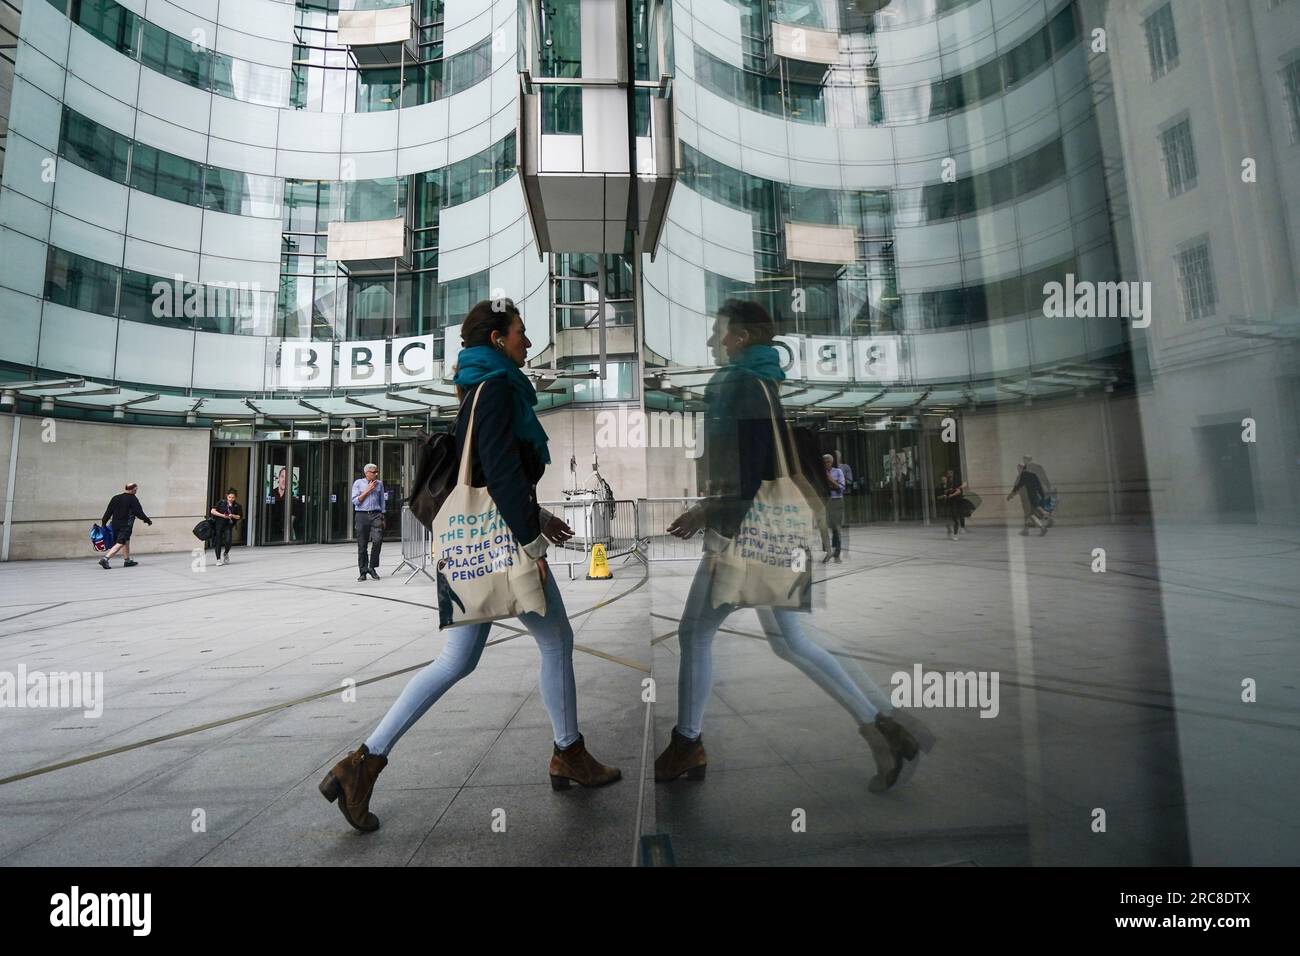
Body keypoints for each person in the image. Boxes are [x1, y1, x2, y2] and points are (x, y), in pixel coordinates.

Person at [319, 298, 621, 834]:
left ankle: (362, 763)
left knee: (457, 660)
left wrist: (540, 513)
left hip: (472, 548)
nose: (528, 343)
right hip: (501, 548)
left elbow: (481, 474)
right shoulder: (499, 387)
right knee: (555, 641)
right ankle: (568, 753)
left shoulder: (475, 388)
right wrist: (532, 544)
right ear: (499, 339)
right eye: (521, 333)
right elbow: (501, 476)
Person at [660, 300, 931, 794]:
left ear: (739, 337)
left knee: (695, 634)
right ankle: (887, 726)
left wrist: (711, 515)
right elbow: (762, 462)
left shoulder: (737, 383)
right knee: (793, 641)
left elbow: (747, 467)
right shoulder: (764, 381)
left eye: (718, 331)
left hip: (746, 533)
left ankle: (688, 743)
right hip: (776, 531)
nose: (711, 341)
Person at [98, 483, 152, 569]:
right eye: (136, 489)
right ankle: (105, 559)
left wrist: (104, 523)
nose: (136, 491)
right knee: (120, 543)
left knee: (126, 541)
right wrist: (147, 520)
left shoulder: (115, 498)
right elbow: (139, 512)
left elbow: (108, 512)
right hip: (126, 525)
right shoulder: (132, 499)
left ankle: (127, 561)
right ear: (133, 489)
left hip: (115, 524)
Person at [351, 463, 385, 581]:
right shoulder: (358, 483)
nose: (376, 474)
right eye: (373, 472)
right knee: (362, 545)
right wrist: (367, 490)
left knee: (378, 540)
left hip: (376, 514)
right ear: (367, 473)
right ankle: (363, 571)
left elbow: (382, 501)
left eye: (376, 472)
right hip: (361, 515)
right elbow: (355, 501)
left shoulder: (379, 484)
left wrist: (382, 515)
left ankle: (372, 567)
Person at [1007, 458, 1053, 535]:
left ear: (1021, 468)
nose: (1017, 470)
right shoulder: (1033, 475)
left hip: (1027, 498)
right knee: (1031, 514)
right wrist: (1042, 495)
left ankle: (1044, 516)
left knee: (1030, 514)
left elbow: (1018, 486)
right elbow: (1039, 486)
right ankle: (1028, 530)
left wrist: (1011, 495)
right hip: (1035, 496)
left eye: (1018, 468)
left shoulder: (1022, 475)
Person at [208, 488, 243, 565]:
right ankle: (218, 559)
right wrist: (223, 516)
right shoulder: (221, 502)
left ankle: (226, 553)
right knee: (218, 542)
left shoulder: (237, 506)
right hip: (218, 525)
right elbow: (212, 511)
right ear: (227, 496)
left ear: (235, 497)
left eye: (233, 497)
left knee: (228, 541)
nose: (231, 499)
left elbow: (239, 516)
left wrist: (232, 515)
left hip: (228, 525)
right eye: (229, 497)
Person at [822, 453, 846, 563]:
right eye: (824, 462)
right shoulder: (821, 473)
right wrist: (833, 486)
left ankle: (837, 552)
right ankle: (828, 551)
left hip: (837, 501)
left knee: (836, 527)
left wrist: (830, 480)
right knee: (825, 527)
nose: (826, 464)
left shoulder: (838, 472)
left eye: (828, 461)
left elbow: (841, 488)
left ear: (832, 462)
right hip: (826, 502)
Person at [937, 469, 966, 541]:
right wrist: (944, 496)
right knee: (947, 520)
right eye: (942, 479)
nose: (944, 480)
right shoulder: (944, 486)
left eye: (945, 479)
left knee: (955, 519)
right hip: (948, 504)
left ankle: (956, 533)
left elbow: (958, 491)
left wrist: (951, 495)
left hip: (956, 503)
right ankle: (950, 530)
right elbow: (939, 496)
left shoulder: (955, 483)